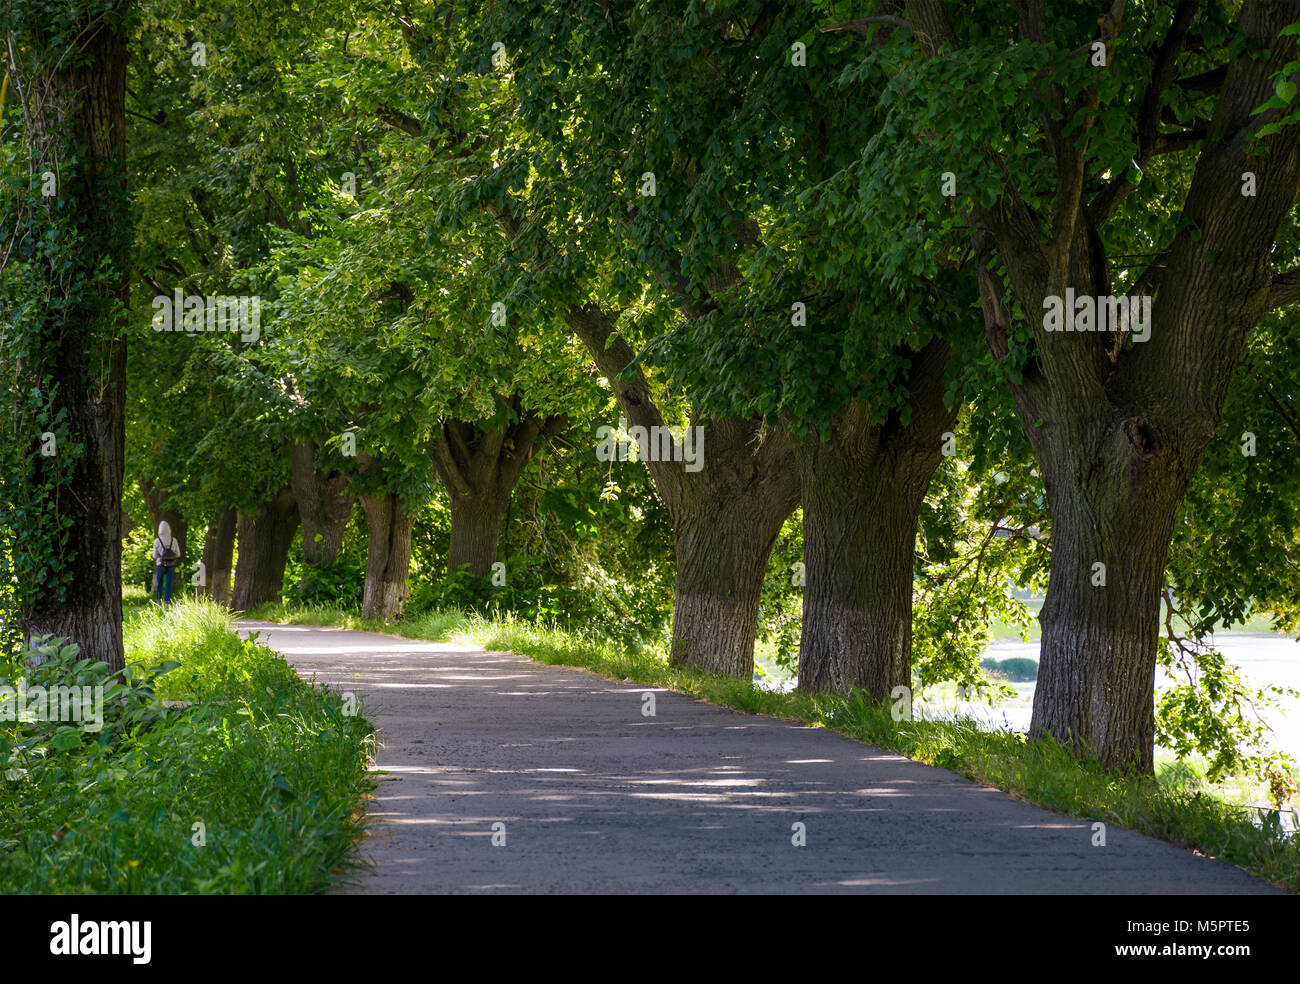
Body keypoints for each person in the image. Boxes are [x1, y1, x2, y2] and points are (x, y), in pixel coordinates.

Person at [153, 520, 181, 606]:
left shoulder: (157, 541)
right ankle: (167, 602)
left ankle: (158, 601)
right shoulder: (174, 540)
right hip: (171, 565)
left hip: (160, 565)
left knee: (159, 583)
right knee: (169, 584)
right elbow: (178, 554)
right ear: (169, 529)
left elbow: (154, 556)